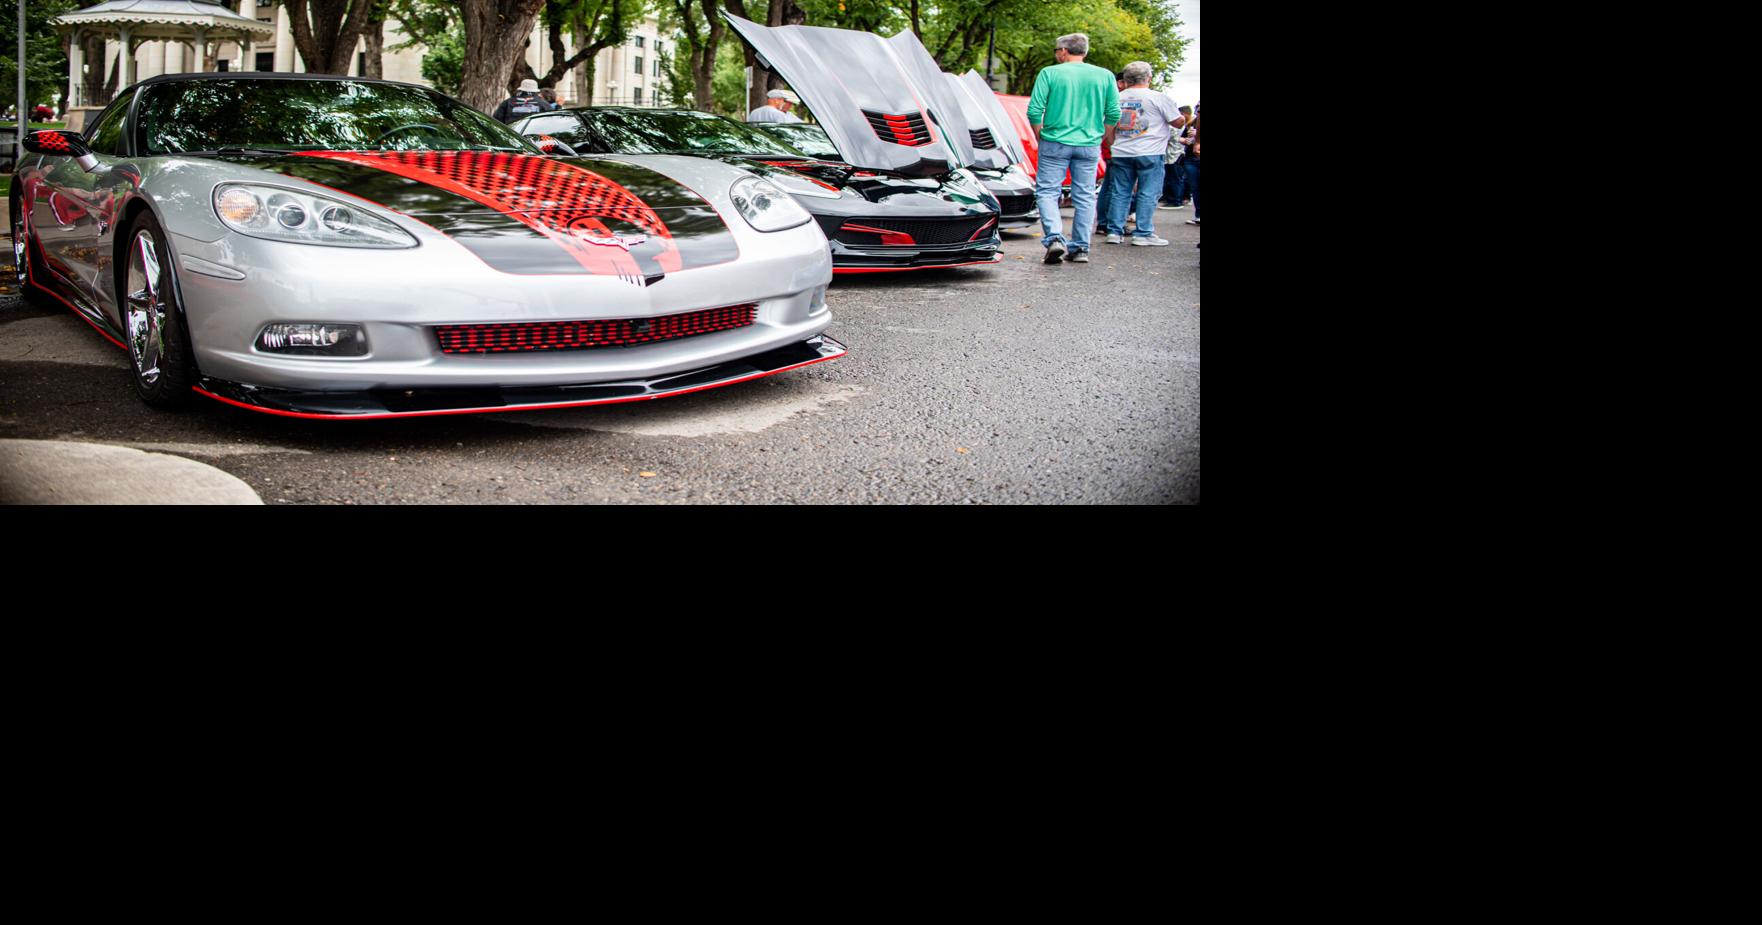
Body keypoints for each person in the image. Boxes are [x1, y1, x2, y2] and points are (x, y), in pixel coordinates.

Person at [1026, 33, 1120, 264]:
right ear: (1084, 52)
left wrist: (1041, 135)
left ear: (1064, 51)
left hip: (1055, 140)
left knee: (1047, 192)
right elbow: (1114, 113)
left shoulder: (1050, 73)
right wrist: (1102, 138)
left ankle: (1055, 238)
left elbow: (1034, 110)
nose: (1056, 54)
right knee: (1085, 195)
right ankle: (1080, 248)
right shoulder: (1105, 76)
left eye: (1057, 50)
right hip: (1088, 144)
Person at [1099, 61, 1181, 246]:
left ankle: (1114, 231)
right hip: (1150, 151)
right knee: (1148, 192)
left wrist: (1113, 146)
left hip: (1121, 151)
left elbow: (1108, 127)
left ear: (1125, 79)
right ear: (1149, 78)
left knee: (1120, 192)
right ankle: (1143, 233)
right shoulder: (1158, 97)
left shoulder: (1115, 99)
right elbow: (1177, 122)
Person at [1160, 105, 1193, 208]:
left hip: (1174, 154)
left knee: (1175, 178)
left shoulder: (1176, 126)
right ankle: (1169, 197)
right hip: (1170, 154)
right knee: (1171, 177)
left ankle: (1175, 200)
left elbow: (1172, 137)